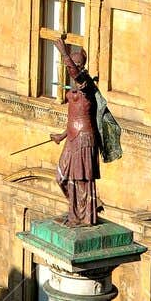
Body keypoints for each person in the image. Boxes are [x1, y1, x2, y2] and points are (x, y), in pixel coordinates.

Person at [51, 45, 101, 226]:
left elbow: (77, 76)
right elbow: (73, 117)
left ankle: (81, 216)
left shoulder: (86, 85)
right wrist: (61, 136)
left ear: (82, 66)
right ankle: (80, 210)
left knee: (79, 178)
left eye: (77, 63)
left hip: (84, 138)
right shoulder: (75, 89)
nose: (73, 67)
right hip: (73, 136)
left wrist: (64, 53)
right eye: (72, 63)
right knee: (61, 176)